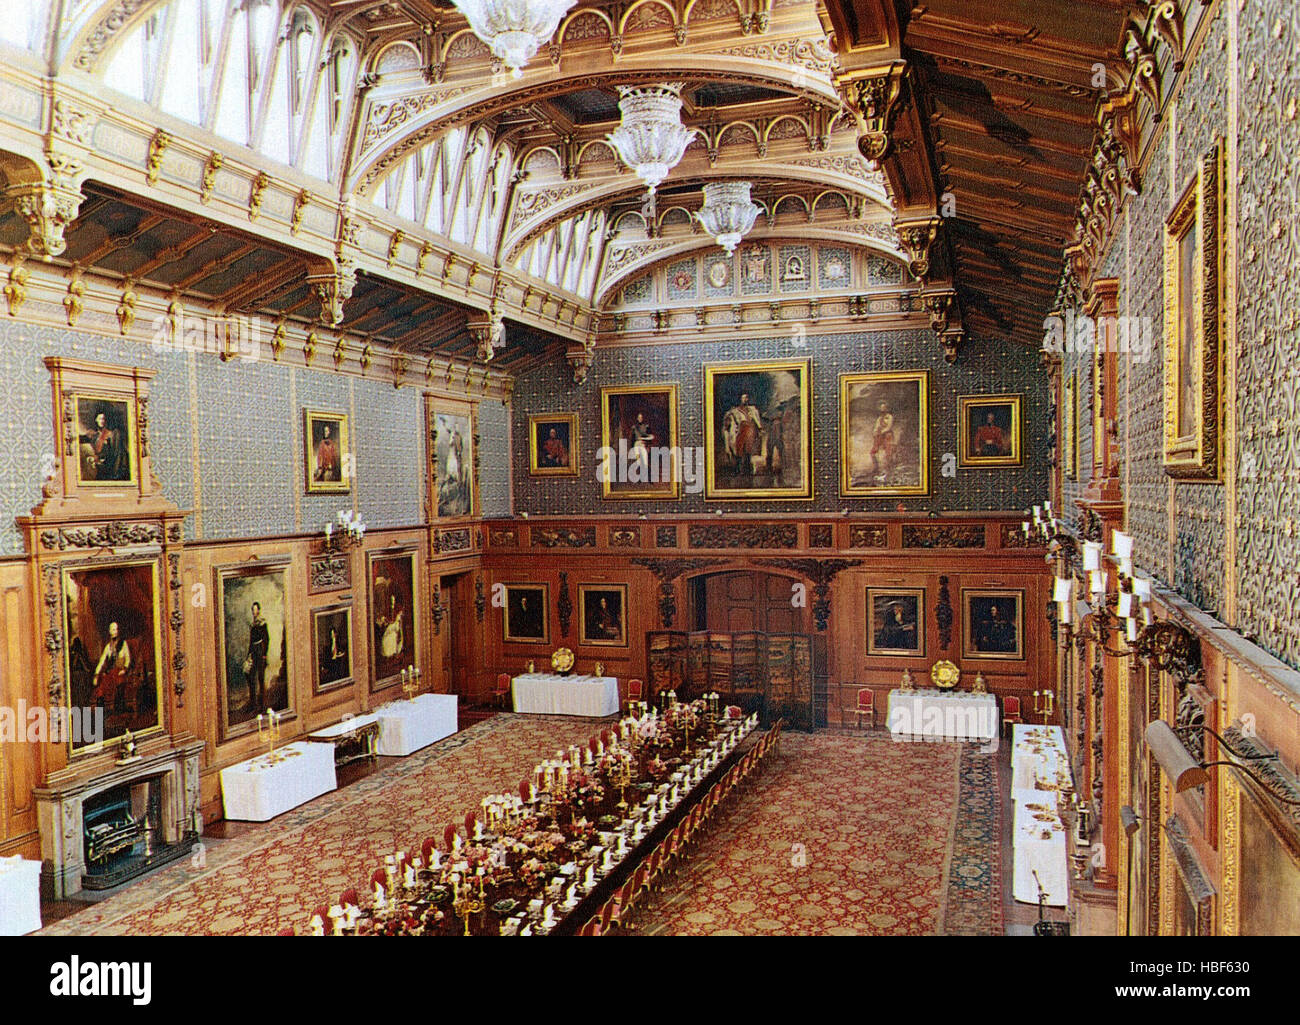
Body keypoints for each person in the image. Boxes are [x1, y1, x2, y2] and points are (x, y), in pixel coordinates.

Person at [92, 621, 131, 712]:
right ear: (109, 631)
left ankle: (117, 710)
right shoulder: (108, 647)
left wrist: (124, 669)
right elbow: (101, 662)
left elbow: (128, 659)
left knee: (118, 683)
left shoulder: (123, 643)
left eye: (116, 629)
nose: (114, 631)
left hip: (120, 671)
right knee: (102, 685)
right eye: (112, 629)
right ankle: (102, 712)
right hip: (111, 672)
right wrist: (96, 675)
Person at [722, 391, 764, 475]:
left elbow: (756, 420)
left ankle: (748, 470)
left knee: (748, 451)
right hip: (740, 431)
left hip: (749, 431)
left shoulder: (751, 409)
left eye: (746, 398)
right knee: (738, 451)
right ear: (740, 399)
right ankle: (737, 469)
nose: (745, 399)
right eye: (743, 398)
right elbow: (728, 423)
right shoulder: (734, 411)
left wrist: (759, 428)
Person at [81, 410, 126, 481]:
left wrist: (98, 459)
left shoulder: (111, 434)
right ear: (96, 420)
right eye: (100, 419)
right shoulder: (94, 435)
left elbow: (112, 454)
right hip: (96, 466)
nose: (102, 421)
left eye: (103, 419)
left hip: (107, 467)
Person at [245, 602, 269, 710]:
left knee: (261, 678)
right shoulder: (252, 624)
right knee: (250, 676)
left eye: (255, 610)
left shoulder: (263, 623)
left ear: (258, 610)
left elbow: (266, 639)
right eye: (252, 610)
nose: (254, 612)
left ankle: (262, 704)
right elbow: (251, 641)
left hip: (260, 651)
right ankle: (253, 703)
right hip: (253, 651)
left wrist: (264, 654)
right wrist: (248, 655)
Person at [868, 402, 898, 483]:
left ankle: (888, 472)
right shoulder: (879, 418)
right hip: (880, 436)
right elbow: (876, 427)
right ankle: (876, 468)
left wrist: (881, 432)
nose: (882, 409)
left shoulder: (889, 417)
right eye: (881, 408)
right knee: (873, 452)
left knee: (888, 453)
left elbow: (889, 427)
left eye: (884, 408)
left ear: (887, 409)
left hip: (887, 436)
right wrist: (875, 432)